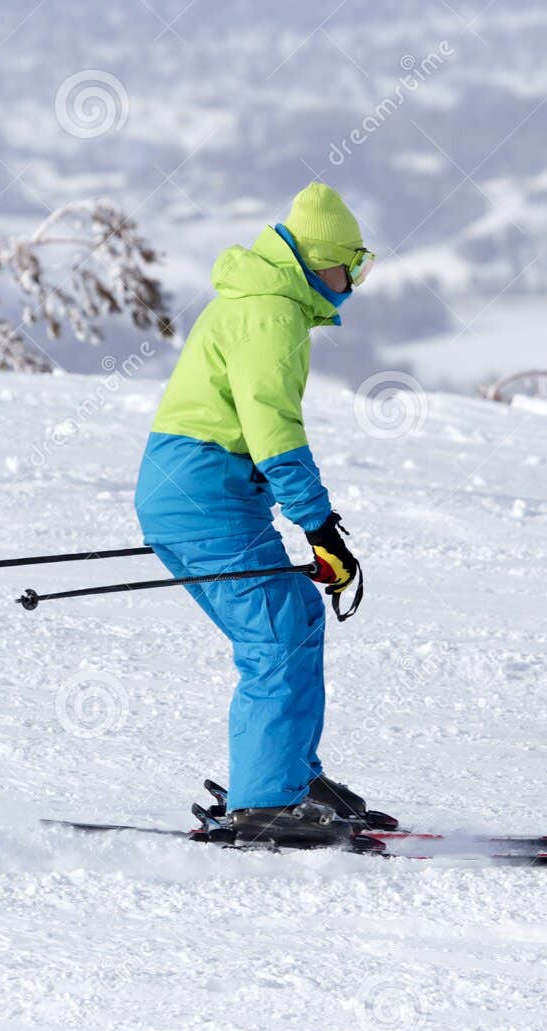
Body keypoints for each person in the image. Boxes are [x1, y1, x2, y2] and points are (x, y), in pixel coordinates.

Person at [133, 182, 381, 847]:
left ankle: (291, 775)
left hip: (193, 492)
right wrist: (319, 524)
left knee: (293, 615)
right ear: (321, 258)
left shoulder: (259, 302)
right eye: (349, 266)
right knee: (274, 634)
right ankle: (266, 801)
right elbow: (273, 429)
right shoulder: (272, 314)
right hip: (206, 492)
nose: (352, 283)